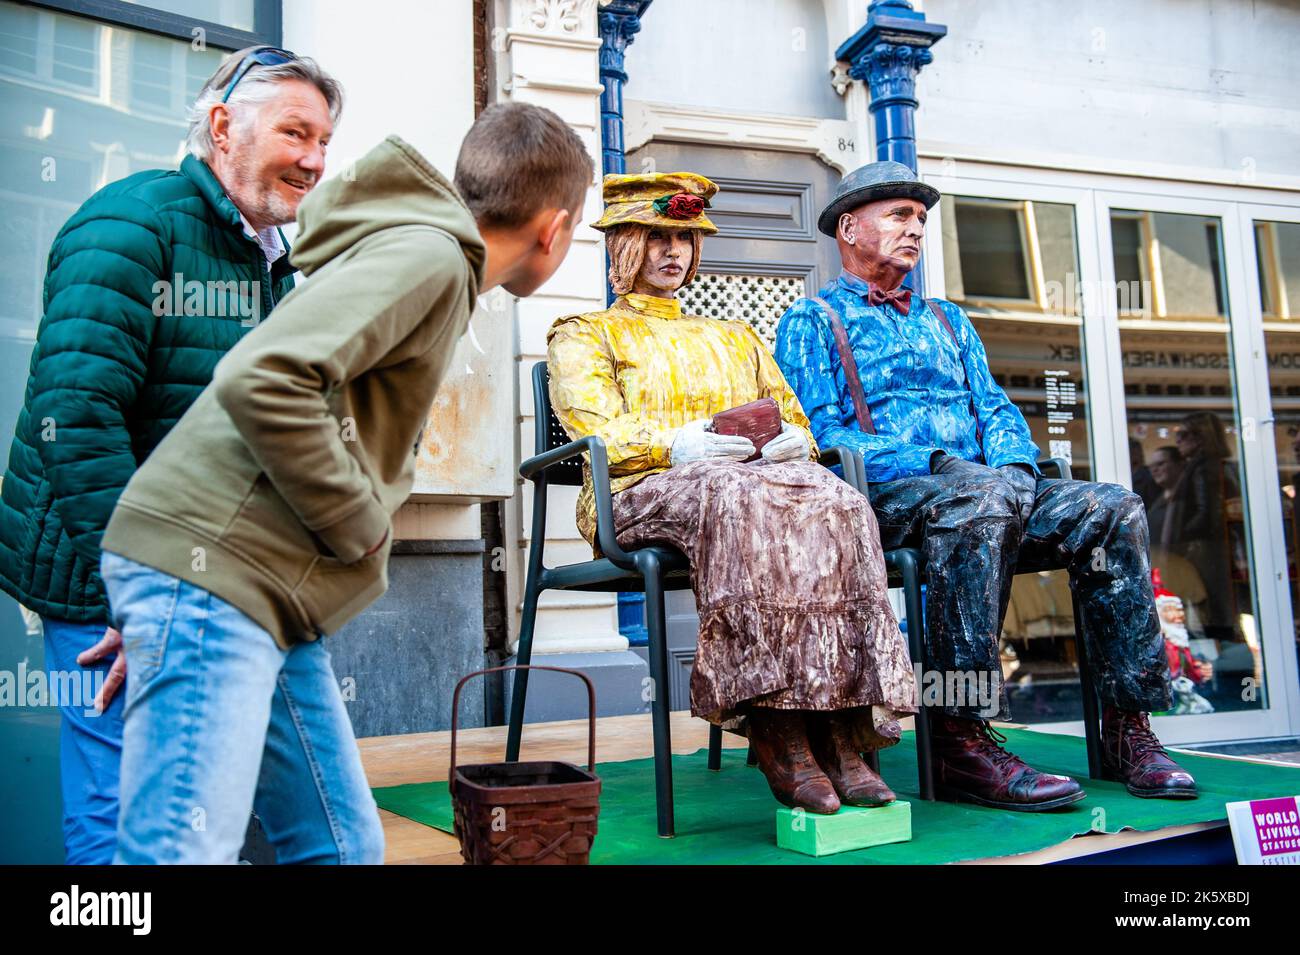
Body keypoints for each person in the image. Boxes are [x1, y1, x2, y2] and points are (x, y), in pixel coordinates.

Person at [97, 102, 593, 864]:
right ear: (554, 229)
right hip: (223, 580)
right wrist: (358, 521)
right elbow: (263, 377)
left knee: (341, 845)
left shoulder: (432, 262)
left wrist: (174, 596)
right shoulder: (429, 259)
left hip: (254, 593)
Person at [0, 46, 341, 863]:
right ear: (223, 127)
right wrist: (141, 594)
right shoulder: (131, 223)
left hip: (224, 581)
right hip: (109, 581)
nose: (315, 160)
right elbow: (73, 415)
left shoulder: (268, 262)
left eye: (325, 140)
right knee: (120, 819)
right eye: (296, 132)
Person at [776, 160, 1197, 807]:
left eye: (920, 219)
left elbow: (997, 409)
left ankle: (1127, 728)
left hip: (989, 491)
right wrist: (946, 464)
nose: (915, 229)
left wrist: (1018, 469)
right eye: (899, 215)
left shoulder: (950, 320)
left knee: (1113, 507)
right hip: (889, 498)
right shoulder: (812, 319)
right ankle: (958, 737)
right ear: (851, 229)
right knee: (981, 499)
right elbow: (822, 434)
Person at [547, 172, 916, 815]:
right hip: (636, 494)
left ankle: (839, 726)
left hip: (749, 483)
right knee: (740, 500)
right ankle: (776, 729)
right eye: (657, 237)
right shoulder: (584, 332)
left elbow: (793, 416)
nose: (674, 252)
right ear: (624, 247)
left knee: (838, 502)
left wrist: (789, 443)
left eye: (686, 240)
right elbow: (595, 429)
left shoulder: (735, 336)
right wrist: (677, 445)